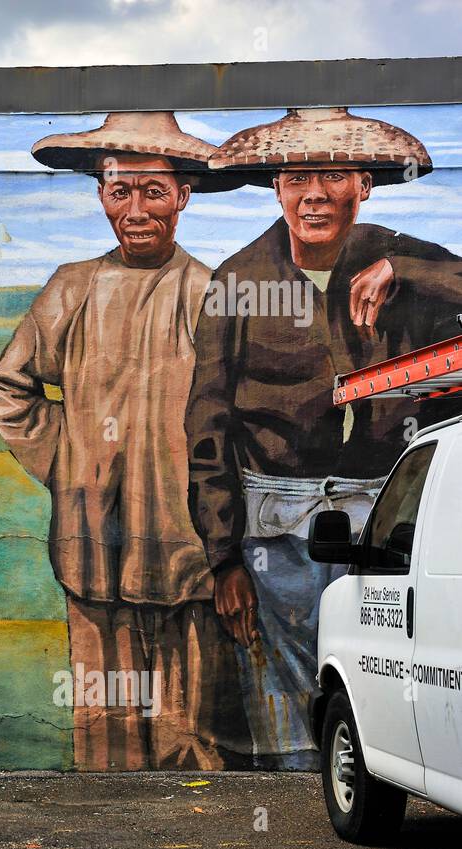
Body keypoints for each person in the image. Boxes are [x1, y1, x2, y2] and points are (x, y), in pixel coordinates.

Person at [189, 107, 462, 768]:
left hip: (385, 525)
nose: (315, 192)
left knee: (386, 685)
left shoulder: (403, 254)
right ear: (277, 187)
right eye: (298, 175)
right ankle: (293, 825)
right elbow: (207, 426)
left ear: (363, 185)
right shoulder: (238, 281)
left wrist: (403, 270)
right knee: (287, 709)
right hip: (276, 536)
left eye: (334, 173)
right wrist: (224, 560)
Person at [0, 111, 251, 771]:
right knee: (104, 749)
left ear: (184, 194)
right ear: (101, 194)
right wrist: (68, 461)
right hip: (91, 560)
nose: (135, 209)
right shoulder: (72, 289)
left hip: (187, 562)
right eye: (118, 190)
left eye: (153, 191)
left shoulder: (209, 294)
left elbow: (239, 426)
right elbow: (11, 386)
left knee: (189, 744)